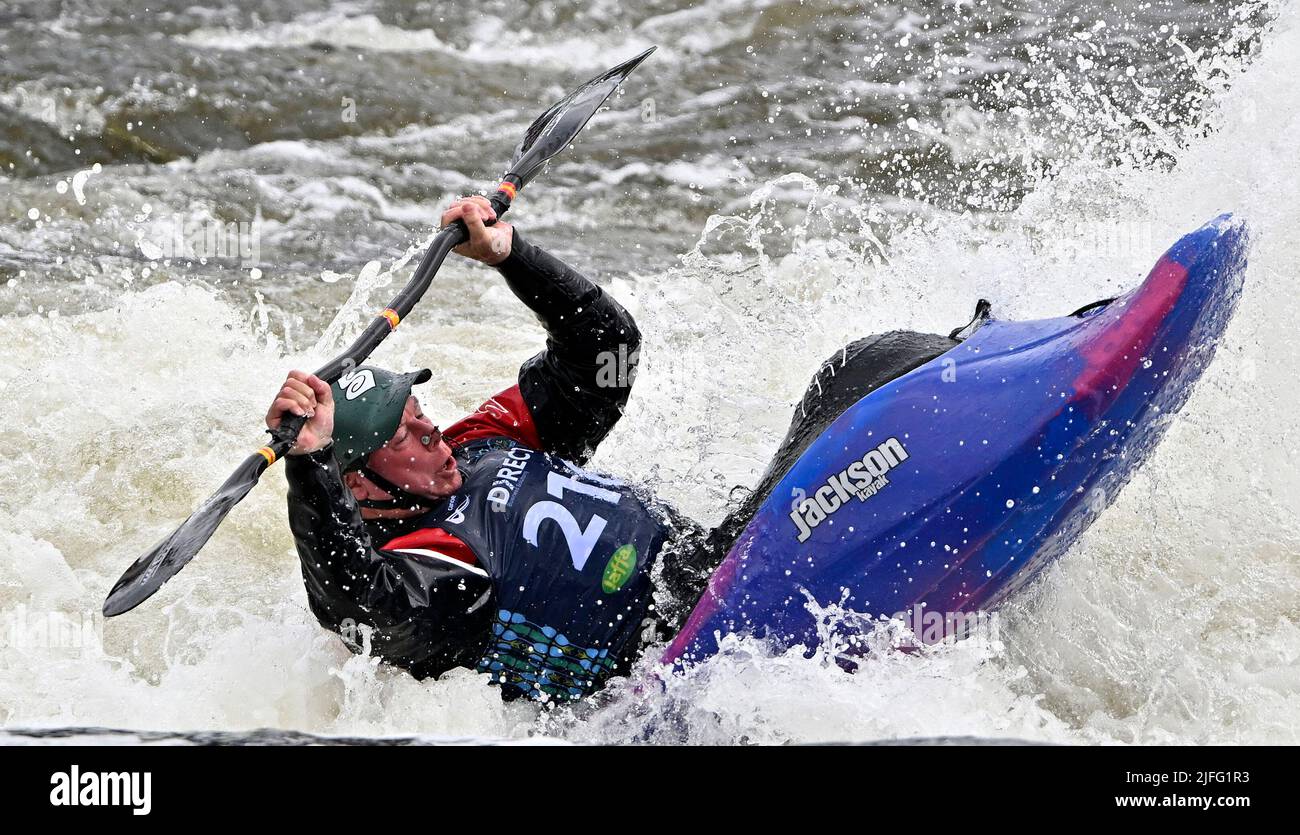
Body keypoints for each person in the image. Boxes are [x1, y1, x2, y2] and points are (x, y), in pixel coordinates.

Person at [268, 195, 962, 701]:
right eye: (399, 437)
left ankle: (991, 370)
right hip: (694, 667)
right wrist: (309, 466)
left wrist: (512, 256)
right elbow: (358, 601)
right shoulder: (426, 565)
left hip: (722, 562)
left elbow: (607, 355)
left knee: (847, 375)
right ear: (361, 487)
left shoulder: (477, 440)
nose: (428, 432)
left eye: (416, 409)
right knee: (857, 429)